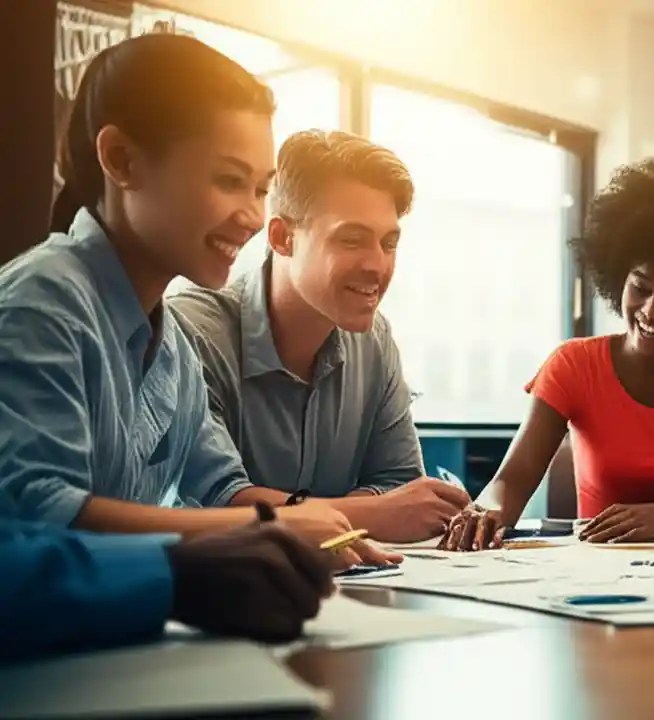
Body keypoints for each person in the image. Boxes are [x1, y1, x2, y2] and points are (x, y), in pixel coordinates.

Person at [0, 34, 395, 567]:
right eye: (229, 181)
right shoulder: (44, 301)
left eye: (260, 189)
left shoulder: (169, 346)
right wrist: (271, 524)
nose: (254, 217)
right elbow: (37, 518)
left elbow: (220, 486)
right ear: (122, 160)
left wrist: (305, 524)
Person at [438, 159, 654, 550]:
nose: (651, 311)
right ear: (619, 276)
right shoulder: (573, 364)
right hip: (597, 568)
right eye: (640, 288)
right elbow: (508, 484)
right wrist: (485, 512)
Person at [169, 130, 469, 543]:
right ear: (282, 238)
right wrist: (373, 515)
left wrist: (356, 518)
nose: (378, 266)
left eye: (389, 243)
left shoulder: (374, 339)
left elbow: (396, 480)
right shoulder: (191, 331)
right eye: (352, 239)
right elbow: (215, 501)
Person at [2, 508, 332, 662]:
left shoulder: (181, 370)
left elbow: (16, 528)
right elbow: (44, 505)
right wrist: (169, 566)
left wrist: (173, 556)